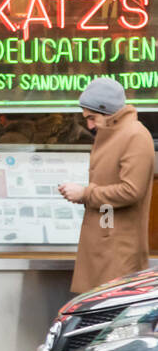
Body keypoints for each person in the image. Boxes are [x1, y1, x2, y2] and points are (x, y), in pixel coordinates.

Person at [59, 77, 155, 294]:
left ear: (108, 111)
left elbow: (131, 190)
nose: (89, 125)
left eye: (92, 117)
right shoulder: (111, 132)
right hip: (105, 239)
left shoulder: (135, 136)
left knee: (110, 314)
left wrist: (85, 193)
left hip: (118, 248)